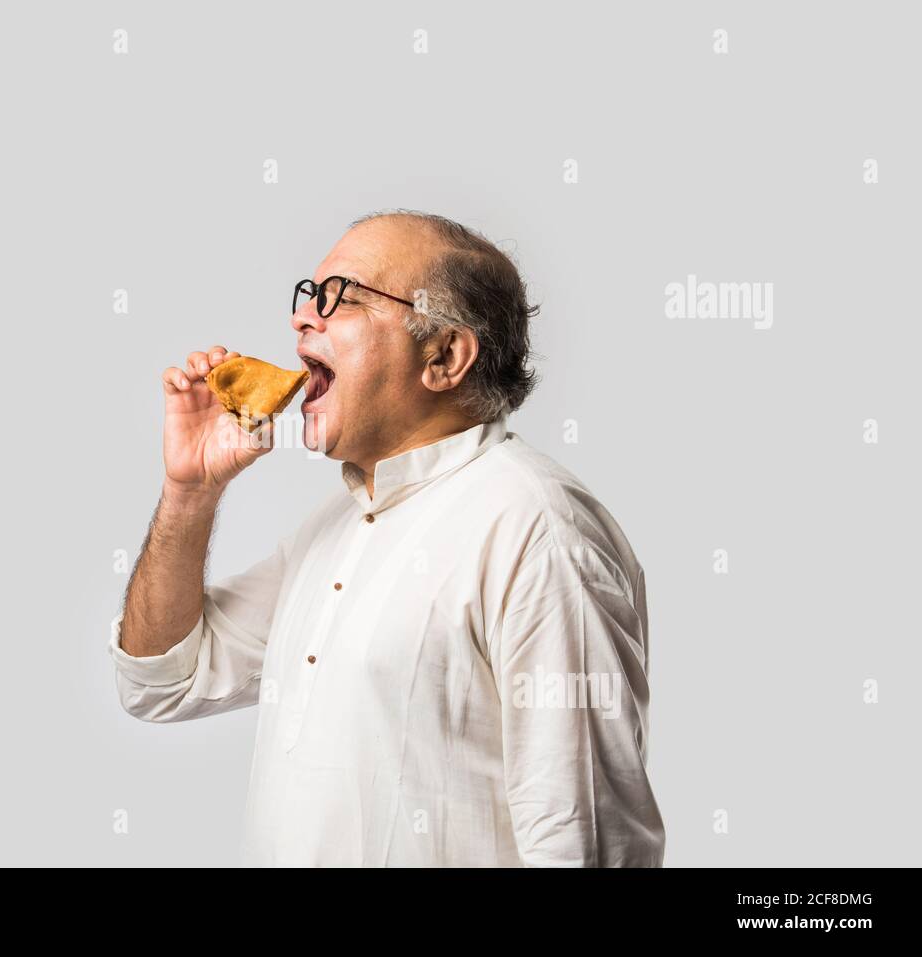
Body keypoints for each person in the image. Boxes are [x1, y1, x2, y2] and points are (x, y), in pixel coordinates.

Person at [107, 209, 666, 867]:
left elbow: (586, 844)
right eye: (309, 296)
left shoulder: (537, 526)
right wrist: (189, 494)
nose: (302, 319)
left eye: (342, 297)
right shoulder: (332, 529)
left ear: (444, 356)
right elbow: (161, 681)